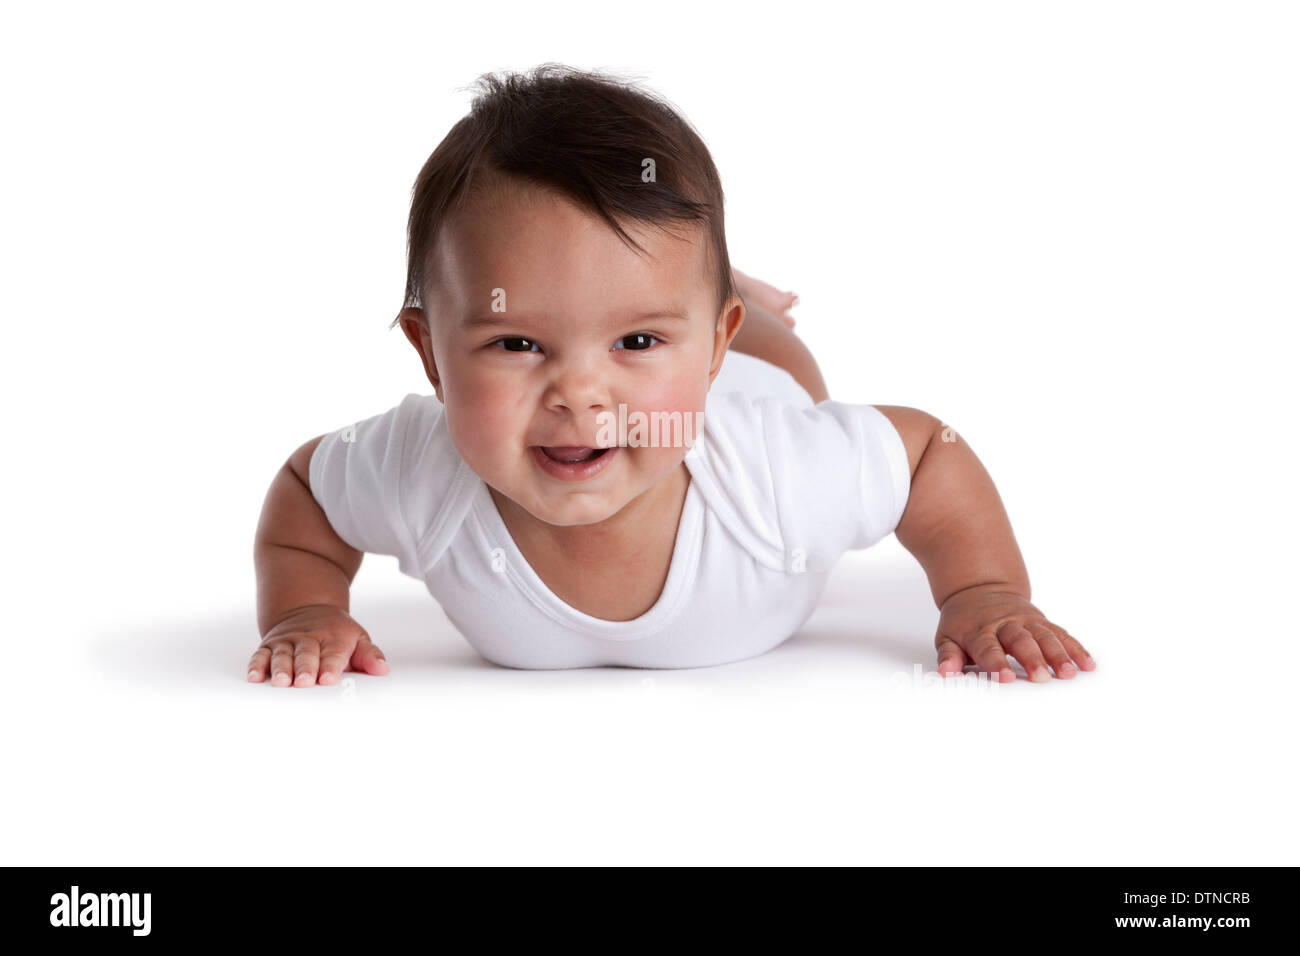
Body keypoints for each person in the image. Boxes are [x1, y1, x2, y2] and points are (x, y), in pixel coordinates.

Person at [249, 64, 1095, 683]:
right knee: (638, 295)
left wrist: (981, 590)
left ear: (711, 347)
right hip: (700, 347)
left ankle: (736, 301)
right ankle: (680, 300)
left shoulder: (781, 470)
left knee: (774, 349)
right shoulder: (416, 468)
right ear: (430, 355)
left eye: (635, 343)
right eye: (516, 345)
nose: (579, 395)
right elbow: (303, 495)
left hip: (762, 381)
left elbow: (927, 455)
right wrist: (305, 608)